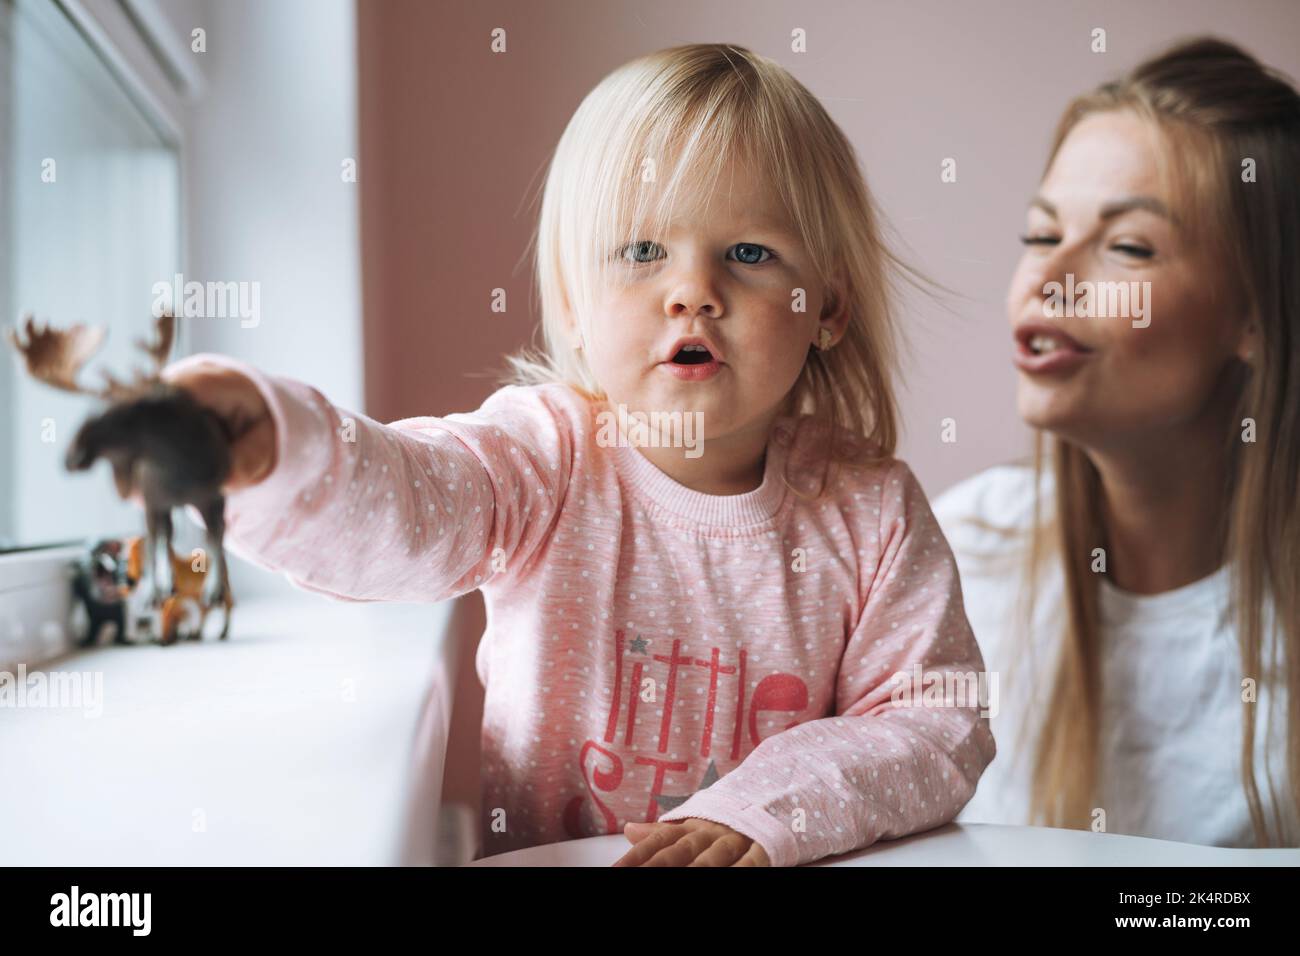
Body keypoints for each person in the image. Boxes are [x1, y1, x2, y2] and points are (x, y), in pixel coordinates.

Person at [935, 37, 1300, 847]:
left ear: (1256, 317)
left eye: (1128, 246)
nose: (1049, 276)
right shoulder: (953, 557)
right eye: (1040, 235)